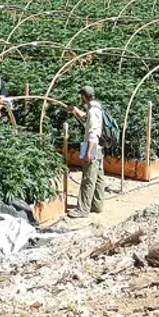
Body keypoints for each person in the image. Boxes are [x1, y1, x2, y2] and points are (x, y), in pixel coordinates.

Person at [68, 85, 105, 218]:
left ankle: (82, 209)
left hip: (92, 146)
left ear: (84, 97)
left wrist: (88, 152)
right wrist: (75, 110)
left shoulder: (93, 111)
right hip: (99, 146)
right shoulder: (96, 108)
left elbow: (92, 133)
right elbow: (86, 118)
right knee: (99, 177)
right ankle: (97, 205)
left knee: (88, 178)